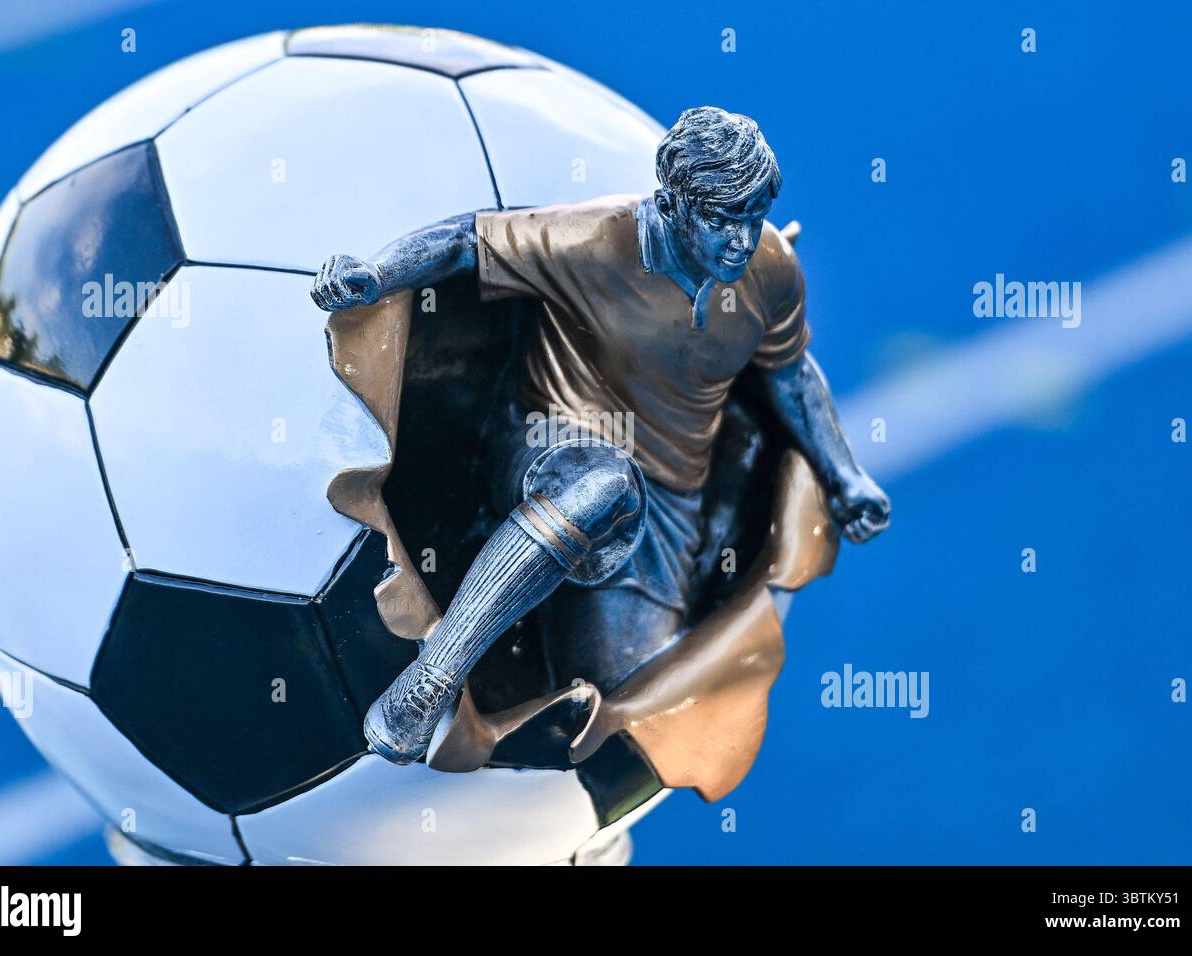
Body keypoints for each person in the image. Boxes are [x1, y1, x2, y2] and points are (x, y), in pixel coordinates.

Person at [311, 107, 889, 765]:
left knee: (624, 707)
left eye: (754, 217)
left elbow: (788, 373)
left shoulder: (770, 266)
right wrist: (378, 276)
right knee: (600, 481)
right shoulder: (593, 239)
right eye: (724, 219)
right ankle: (432, 680)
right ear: (671, 206)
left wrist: (845, 476)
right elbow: (463, 242)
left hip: (669, 507)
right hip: (549, 442)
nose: (743, 238)